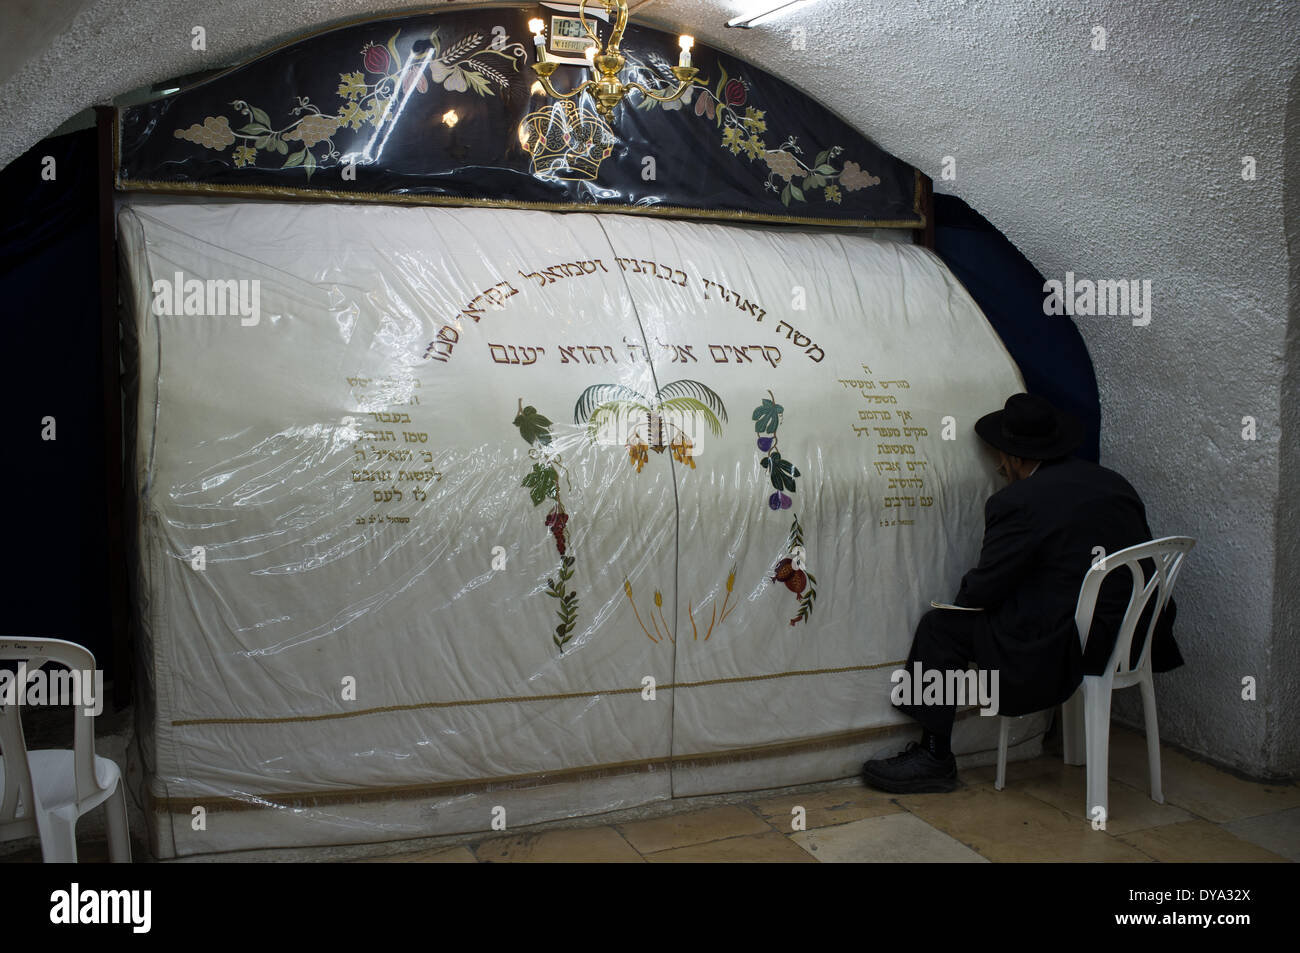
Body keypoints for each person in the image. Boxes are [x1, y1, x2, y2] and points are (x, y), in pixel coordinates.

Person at [860, 393, 1183, 793]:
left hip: (1072, 646)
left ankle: (934, 754)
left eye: (1000, 456)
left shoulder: (1017, 502)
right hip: (1136, 636)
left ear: (1013, 457)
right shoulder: (1113, 483)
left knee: (940, 629)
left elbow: (984, 589)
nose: (998, 465)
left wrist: (963, 600)